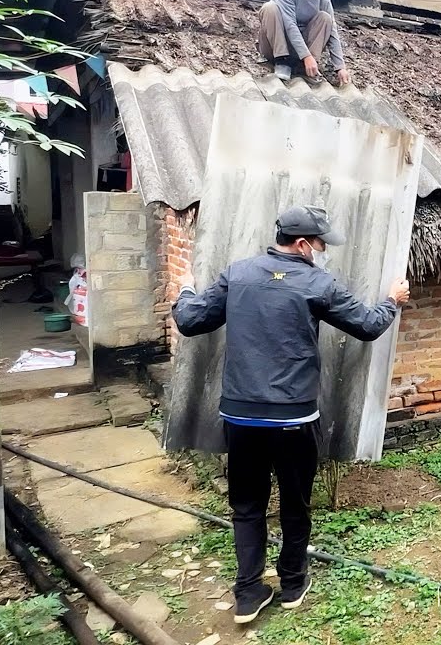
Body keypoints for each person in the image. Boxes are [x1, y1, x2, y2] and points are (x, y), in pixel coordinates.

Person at [172, 205, 410, 624]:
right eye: (320, 244)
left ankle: (248, 594)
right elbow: (369, 325)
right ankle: (293, 584)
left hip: (242, 418)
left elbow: (190, 321)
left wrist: (186, 289)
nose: (321, 251)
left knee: (246, 505)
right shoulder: (317, 282)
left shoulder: (238, 273)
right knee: (295, 503)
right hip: (294, 419)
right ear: (303, 244)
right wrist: (392, 300)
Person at [256, 0, 352, 85]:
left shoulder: (324, 1)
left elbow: (333, 34)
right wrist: (306, 56)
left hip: (302, 53)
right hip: (275, 46)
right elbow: (289, 24)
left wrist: (340, 67)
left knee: (325, 18)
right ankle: (282, 60)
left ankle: (305, 67)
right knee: (270, 8)